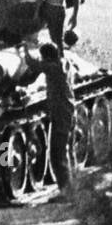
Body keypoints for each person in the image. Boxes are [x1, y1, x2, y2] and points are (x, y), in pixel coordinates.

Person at [35, 42, 76, 195]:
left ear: (47, 57)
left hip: (61, 113)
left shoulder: (54, 67)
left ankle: (67, 192)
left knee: (58, 154)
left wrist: (24, 49)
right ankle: (72, 188)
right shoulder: (63, 63)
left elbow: (34, 65)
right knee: (66, 151)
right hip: (67, 111)